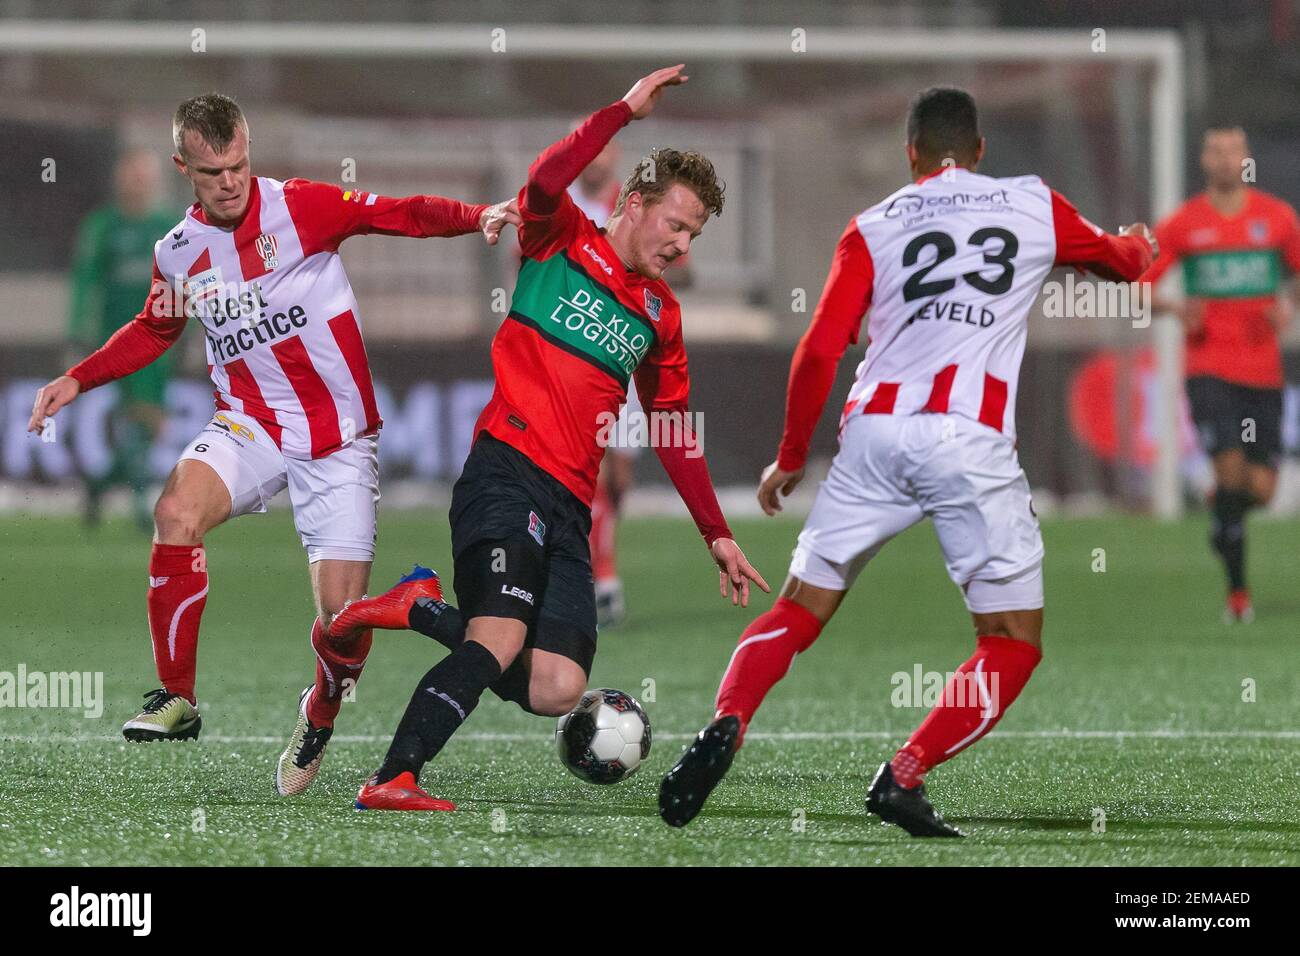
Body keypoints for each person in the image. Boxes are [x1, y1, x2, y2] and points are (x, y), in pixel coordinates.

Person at [658, 86, 1156, 836]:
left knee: (796, 609)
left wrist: (790, 457)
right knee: (1012, 643)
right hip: (969, 441)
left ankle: (728, 718)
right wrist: (1142, 246)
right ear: (980, 150)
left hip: (875, 438)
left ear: (910, 154)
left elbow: (821, 348)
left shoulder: (873, 226)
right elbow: (1126, 267)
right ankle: (903, 775)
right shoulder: (1030, 202)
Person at [27, 93, 519, 800]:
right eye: (211, 171)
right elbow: (155, 328)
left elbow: (396, 213)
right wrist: (79, 378)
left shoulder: (301, 207)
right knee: (175, 515)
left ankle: (319, 711)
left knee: (340, 629)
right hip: (250, 423)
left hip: (338, 441)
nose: (229, 181)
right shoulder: (179, 251)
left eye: (238, 165)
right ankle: (176, 697)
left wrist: (478, 217)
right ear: (182, 167)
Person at [334, 65, 769, 812]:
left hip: (571, 505)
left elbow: (671, 427)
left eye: (694, 234)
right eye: (676, 223)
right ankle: (394, 776)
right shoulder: (559, 237)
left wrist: (717, 534)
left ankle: (421, 607)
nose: (682, 244)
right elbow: (543, 178)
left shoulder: (660, 314)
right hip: (506, 472)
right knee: (499, 639)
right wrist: (625, 111)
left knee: (556, 686)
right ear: (635, 204)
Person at [1143, 126, 1300, 623]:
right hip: (1209, 370)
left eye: (1234, 150)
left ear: (1247, 158)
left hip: (1264, 374)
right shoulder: (1183, 225)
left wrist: (1289, 305)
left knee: (1262, 490)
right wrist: (1174, 307)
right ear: (1204, 160)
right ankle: (1238, 595)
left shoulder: (1276, 218)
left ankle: (1222, 513)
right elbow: (1137, 284)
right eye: (1215, 149)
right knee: (1230, 472)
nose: (1225, 158)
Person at [67, 150, 179, 531]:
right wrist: (78, 330)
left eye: (143, 175)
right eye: (131, 174)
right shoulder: (103, 226)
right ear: (119, 180)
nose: (137, 181)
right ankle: (137, 504)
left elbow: (189, 280)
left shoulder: (168, 226)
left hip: (161, 338)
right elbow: (85, 280)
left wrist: (197, 330)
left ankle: (101, 486)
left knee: (147, 420)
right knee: (143, 415)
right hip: (116, 339)